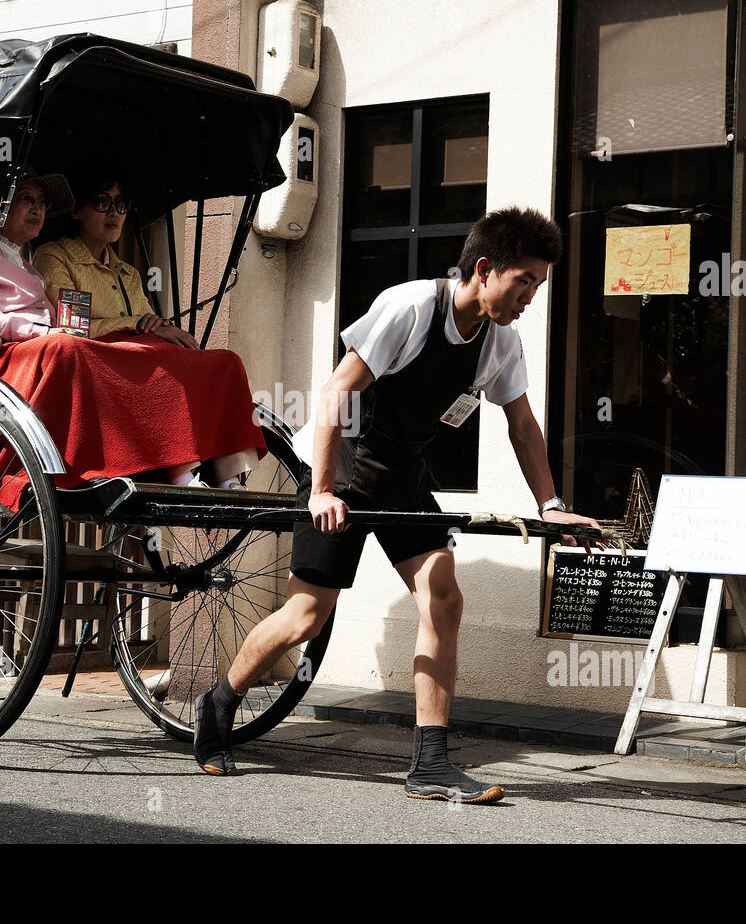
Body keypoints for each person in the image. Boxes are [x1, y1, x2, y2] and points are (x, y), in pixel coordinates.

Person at [191, 206, 601, 803]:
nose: (531, 296)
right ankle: (219, 701)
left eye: (539, 284)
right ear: (484, 269)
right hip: (345, 464)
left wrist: (553, 505)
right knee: (308, 616)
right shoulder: (409, 306)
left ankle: (431, 763)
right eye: (525, 281)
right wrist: (324, 490)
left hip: (403, 472)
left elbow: (522, 425)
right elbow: (337, 392)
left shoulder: (500, 342)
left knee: (443, 593)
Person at [0, 172, 264, 508]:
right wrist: (38, 330)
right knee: (71, 348)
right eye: (27, 199)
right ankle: (121, 467)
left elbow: (69, 322)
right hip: (9, 356)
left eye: (41, 202)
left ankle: (222, 474)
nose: (38, 208)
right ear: (0, 206)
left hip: (59, 346)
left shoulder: (27, 265)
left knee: (208, 360)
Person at [34, 177, 261, 489]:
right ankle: (182, 473)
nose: (113, 213)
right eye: (102, 202)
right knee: (160, 362)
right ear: (77, 211)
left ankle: (229, 475)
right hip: (94, 361)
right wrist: (136, 322)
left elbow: (147, 323)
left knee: (223, 362)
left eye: (121, 205)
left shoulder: (128, 274)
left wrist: (164, 329)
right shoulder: (55, 256)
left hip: (134, 359)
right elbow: (74, 326)